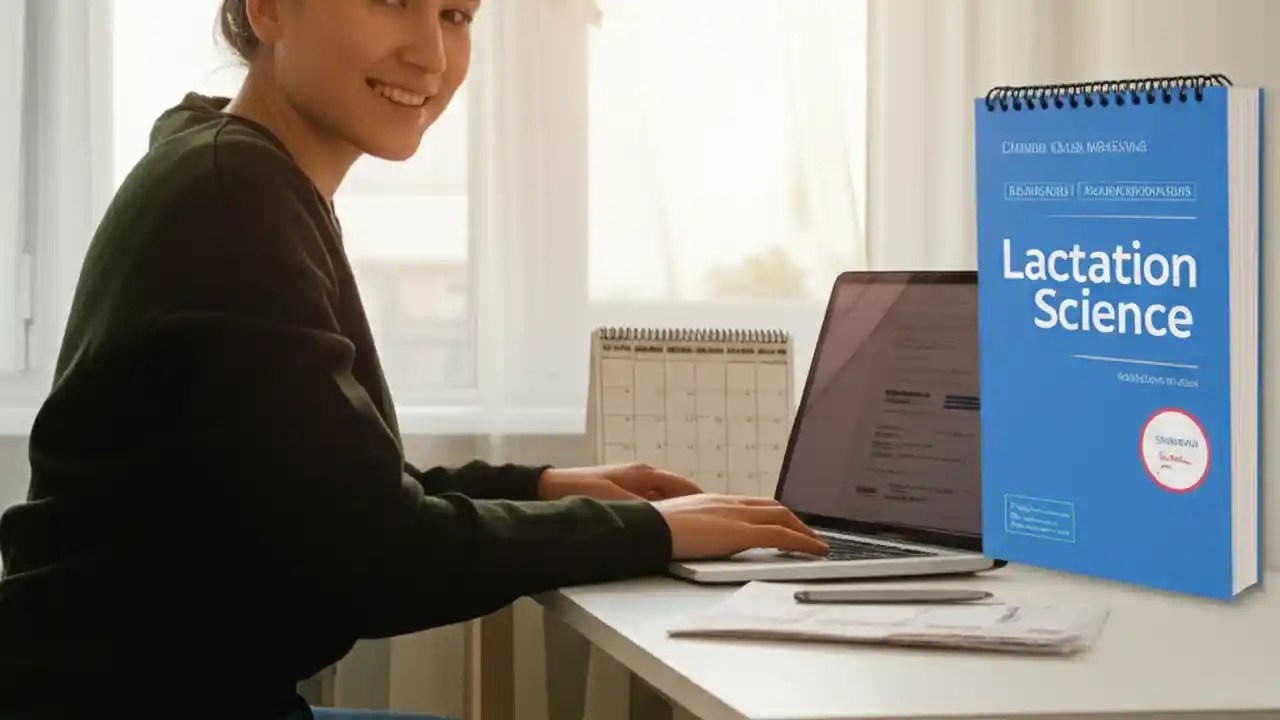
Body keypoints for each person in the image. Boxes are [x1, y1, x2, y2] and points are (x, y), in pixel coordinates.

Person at [0, 1, 829, 717]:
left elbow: (324, 494)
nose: (431, 55)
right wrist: (646, 532)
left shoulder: (231, 167)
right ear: (268, 8)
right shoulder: (233, 198)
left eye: (456, 17)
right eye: (392, 1)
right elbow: (375, 555)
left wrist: (543, 486)